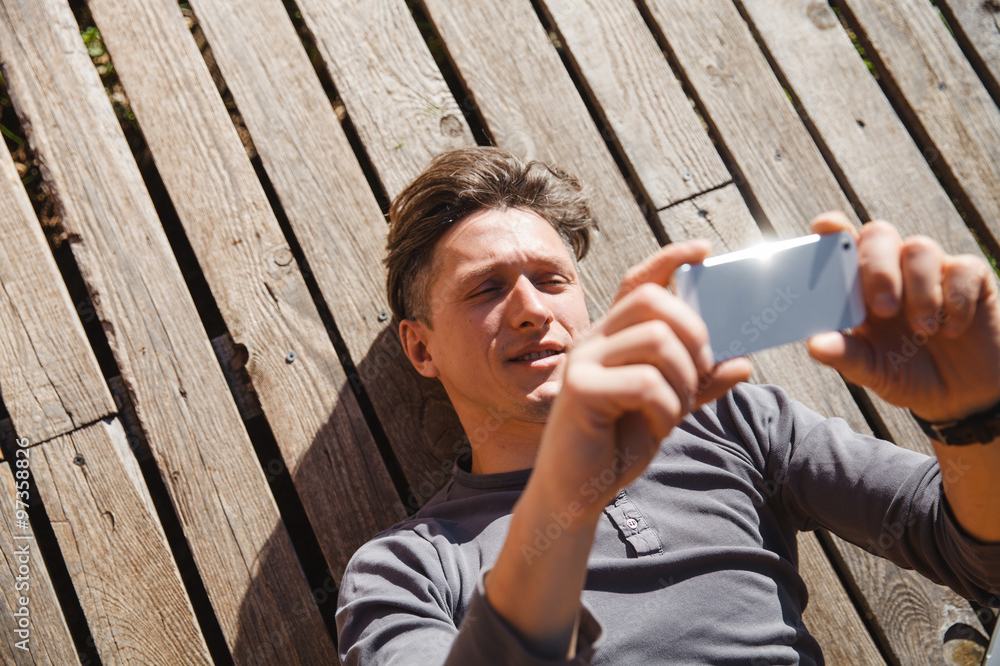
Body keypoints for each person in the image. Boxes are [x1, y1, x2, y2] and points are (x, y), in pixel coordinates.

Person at [336, 146, 1000, 664]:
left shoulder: (730, 419)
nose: (533, 310)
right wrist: (565, 499)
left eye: (550, 279)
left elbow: (976, 555)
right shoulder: (405, 567)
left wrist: (974, 419)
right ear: (420, 348)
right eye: (486, 288)